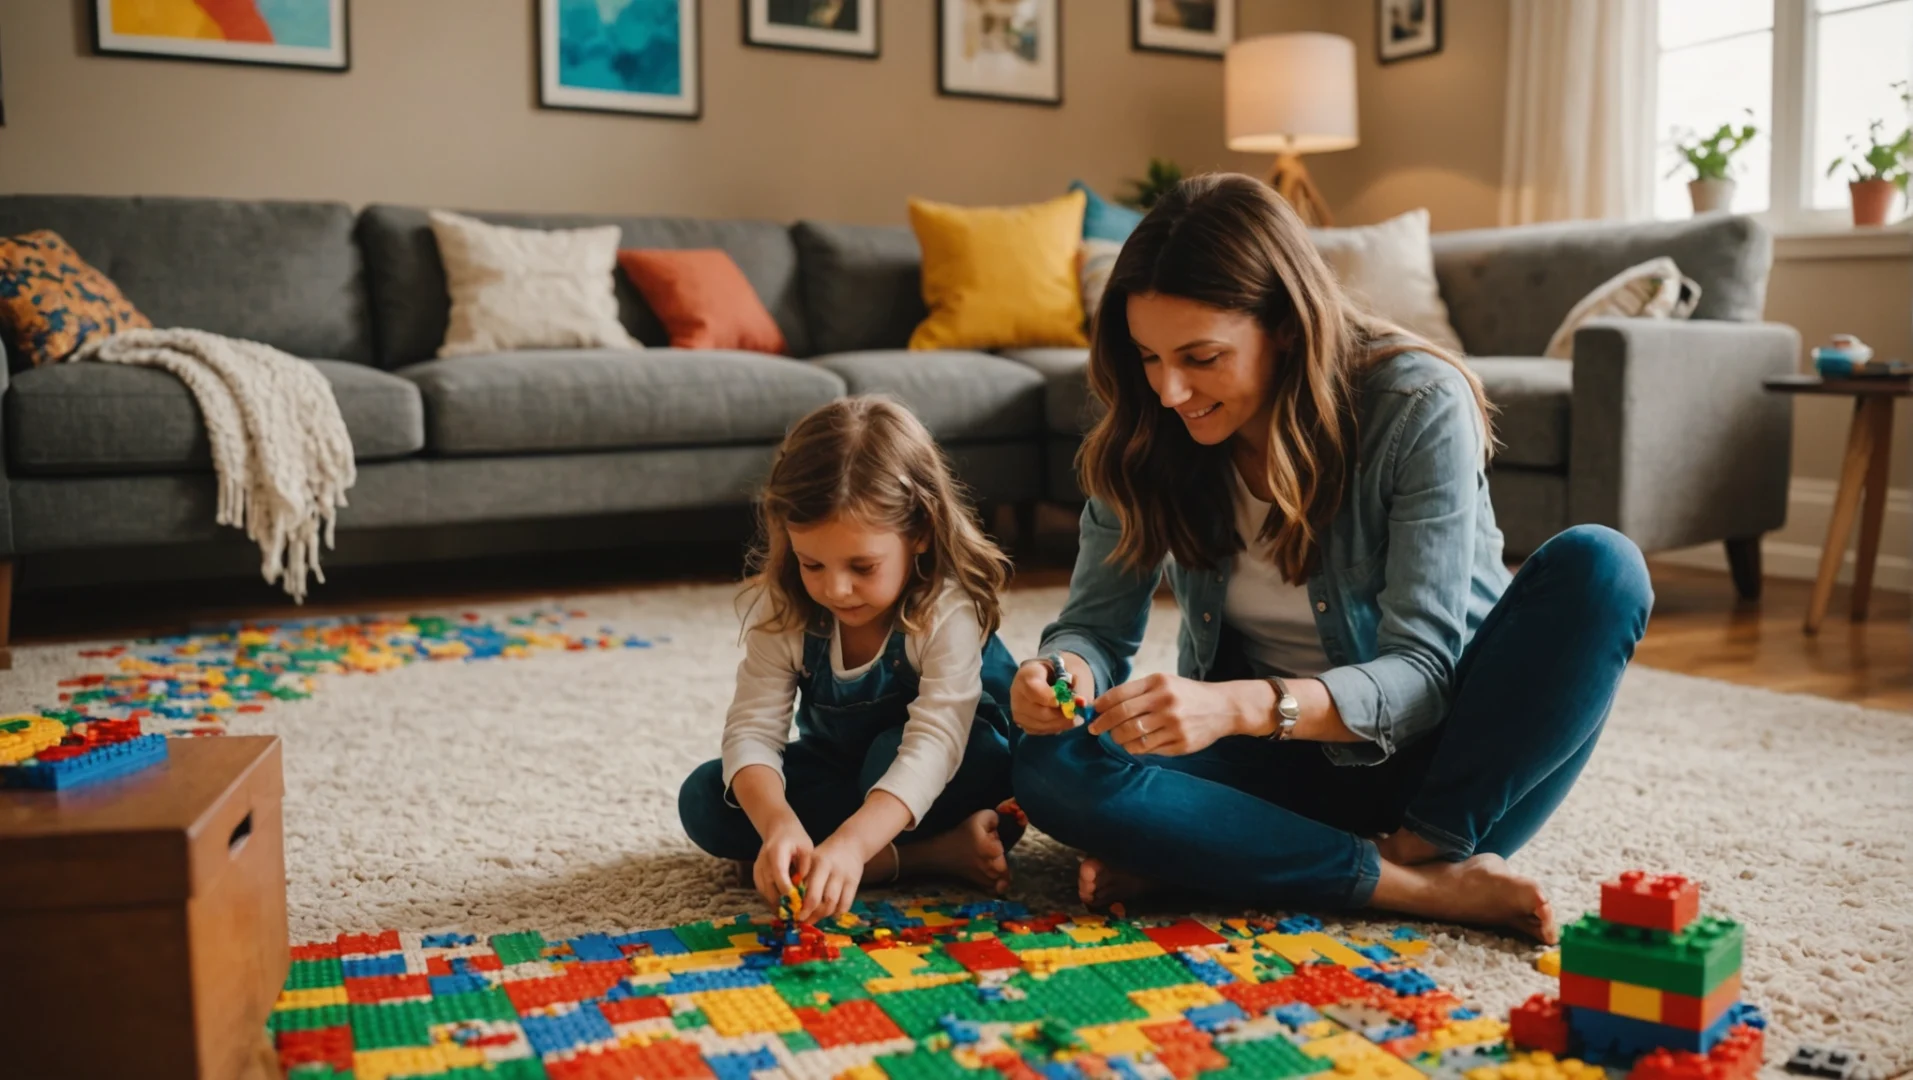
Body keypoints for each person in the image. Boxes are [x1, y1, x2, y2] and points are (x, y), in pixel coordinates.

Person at [1009, 174, 1653, 944]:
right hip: (1276, 773)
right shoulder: (1147, 433)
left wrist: (1243, 705)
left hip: (1448, 778)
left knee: (1602, 566)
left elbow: (1420, 674)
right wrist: (1065, 673)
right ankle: (1414, 886)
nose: (1170, 390)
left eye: (1201, 356)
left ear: (1284, 325)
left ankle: (1380, 854)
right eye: (1148, 356)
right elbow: (1094, 628)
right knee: (1048, 767)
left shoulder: (1415, 405)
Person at [679, 395, 1024, 921]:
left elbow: (936, 743)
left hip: (954, 768)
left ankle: (867, 856)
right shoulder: (789, 602)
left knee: (931, 755)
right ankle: (931, 854)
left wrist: (850, 844)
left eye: (863, 566)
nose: (836, 589)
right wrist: (777, 824)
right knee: (706, 798)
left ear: (922, 532)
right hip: (847, 770)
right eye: (811, 563)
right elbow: (752, 729)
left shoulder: (947, 607)